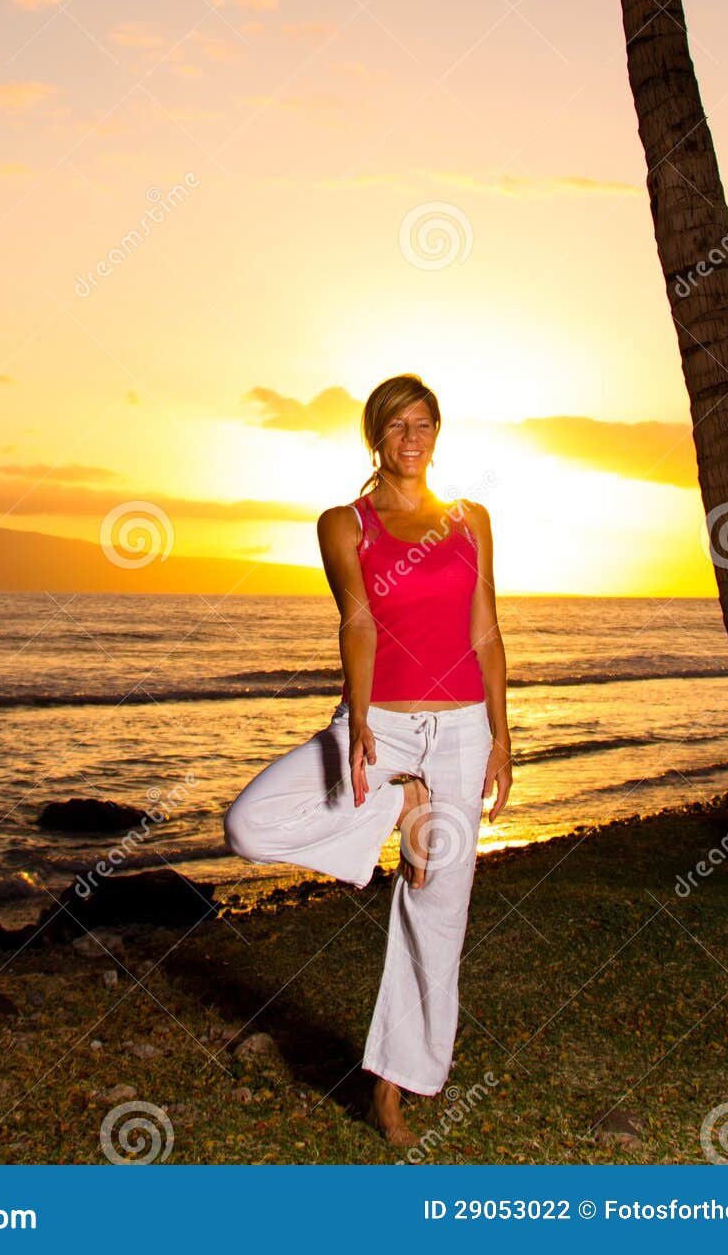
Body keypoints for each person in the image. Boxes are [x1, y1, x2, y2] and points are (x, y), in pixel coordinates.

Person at [223, 373, 512, 1148]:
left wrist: (502, 734)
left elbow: (485, 631)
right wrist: (359, 729)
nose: (410, 437)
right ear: (375, 436)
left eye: (423, 424)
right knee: (250, 824)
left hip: (459, 731)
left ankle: (392, 1087)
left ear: (437, 432)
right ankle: (395, 803)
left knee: (438, 913)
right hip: (380, 721)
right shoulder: (343, 523)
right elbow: (356, 618)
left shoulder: (471, 519)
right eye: (396, 425)